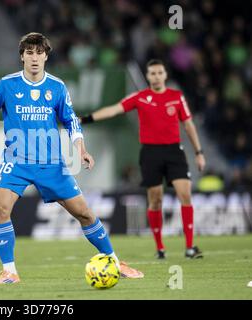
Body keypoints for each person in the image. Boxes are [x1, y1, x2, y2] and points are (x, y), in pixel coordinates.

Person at [0, 32, 143, 284]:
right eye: (29, 52)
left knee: (84, 213)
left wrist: (81, 149)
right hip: (17, 161)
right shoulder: (6, 85)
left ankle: (115, 261)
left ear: (46, 56)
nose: (34, 57)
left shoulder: (57, 87)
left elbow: (71, 121)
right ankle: (9, 271)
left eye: (39, 52)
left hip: (51, 163)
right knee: (0, 206)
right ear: (22, 56)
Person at [80, 59, 206, 260]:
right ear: (147, 76)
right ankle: (160, 248)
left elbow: (189, 125)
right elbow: (114, 109)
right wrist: (86, 119)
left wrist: (199, 152)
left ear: (165, 75)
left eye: (159, 73)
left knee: (185, 194)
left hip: (174, 152)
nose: (156, 76)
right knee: (155, 199)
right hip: (150, 153)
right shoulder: (140, 97)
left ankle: (190, 247)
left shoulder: (176, 97)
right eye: (152, 73)